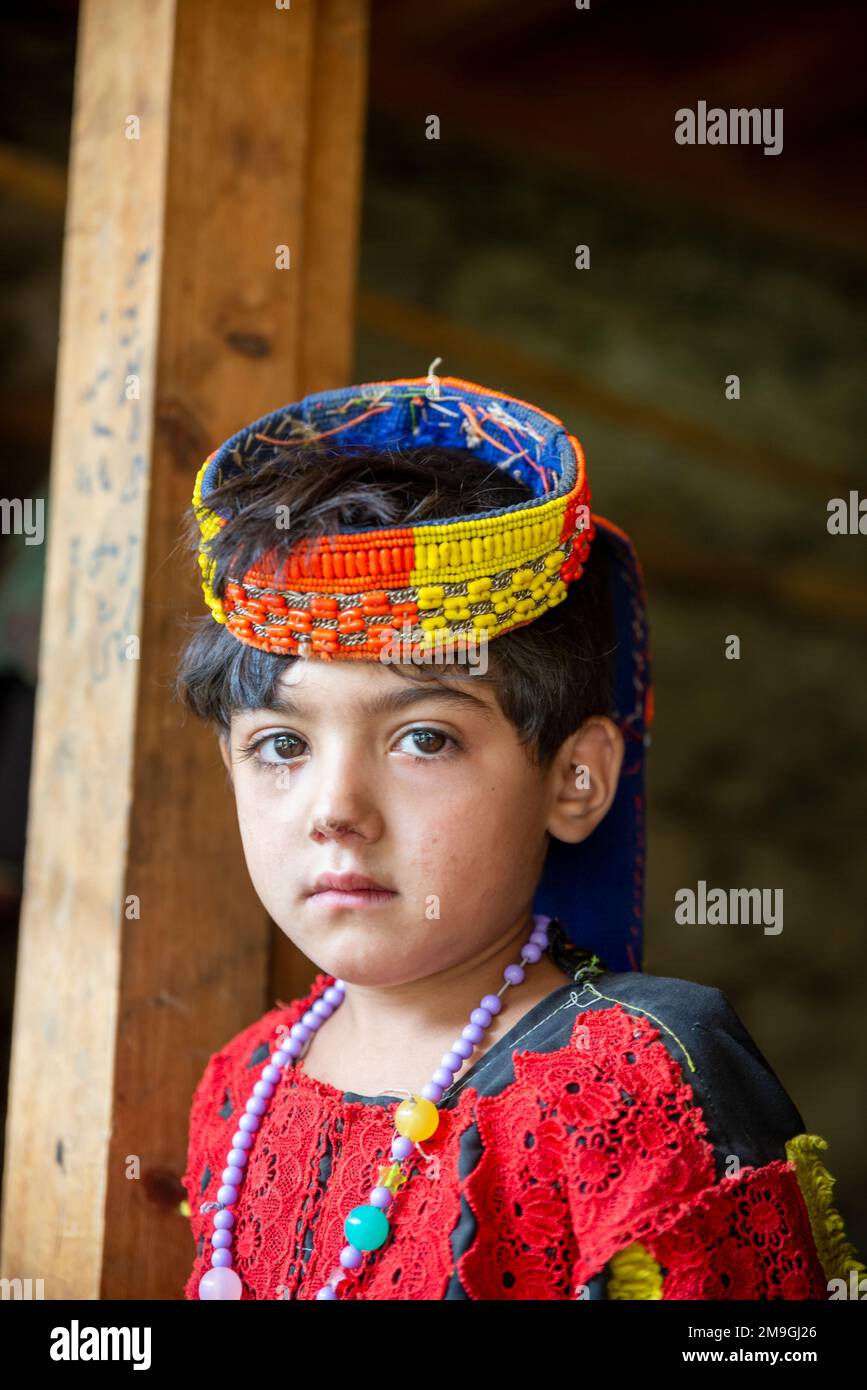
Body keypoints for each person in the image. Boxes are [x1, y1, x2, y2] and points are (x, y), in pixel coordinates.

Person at [175, 371, 862, 1300]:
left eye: (424, 738)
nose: (335, 808)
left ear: (575, 779)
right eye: (281, 744)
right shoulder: (241, 1085)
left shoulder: (634, 1085)